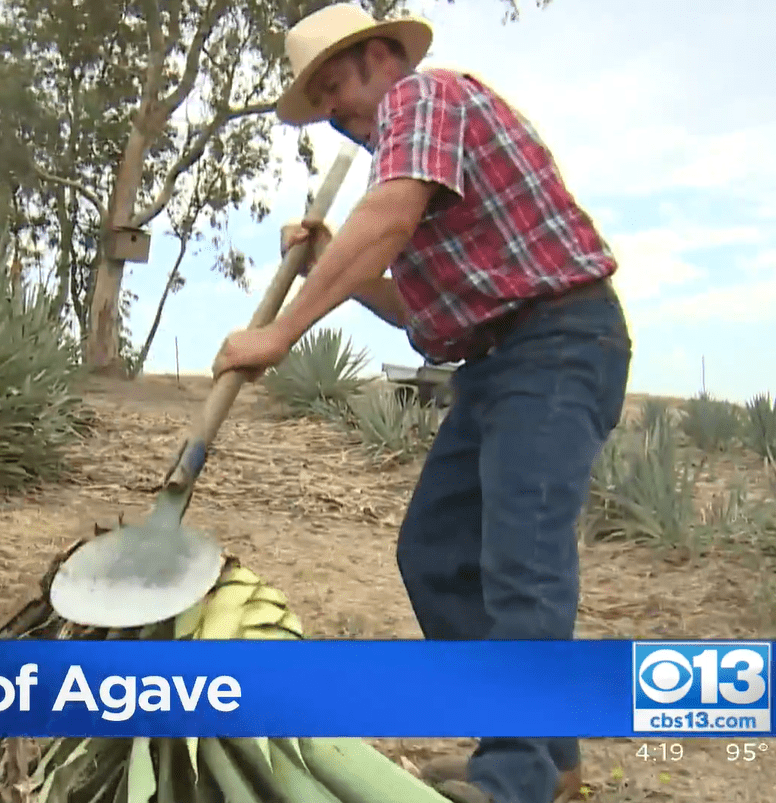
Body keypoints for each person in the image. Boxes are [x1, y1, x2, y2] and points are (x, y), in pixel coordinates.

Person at [211, 5, 632, 803]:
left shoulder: (425, 96)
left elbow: (387, 218)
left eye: (335, 88)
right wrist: (327, 267)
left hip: (559, 342)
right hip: (496, 362)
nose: (335, 113)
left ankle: (513, 779)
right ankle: (549, 759)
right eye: (322, 104)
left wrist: (280, 334)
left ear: (380, 57)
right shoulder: (414, 168)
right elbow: (415, 309)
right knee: (435, 553)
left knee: (523, 562)